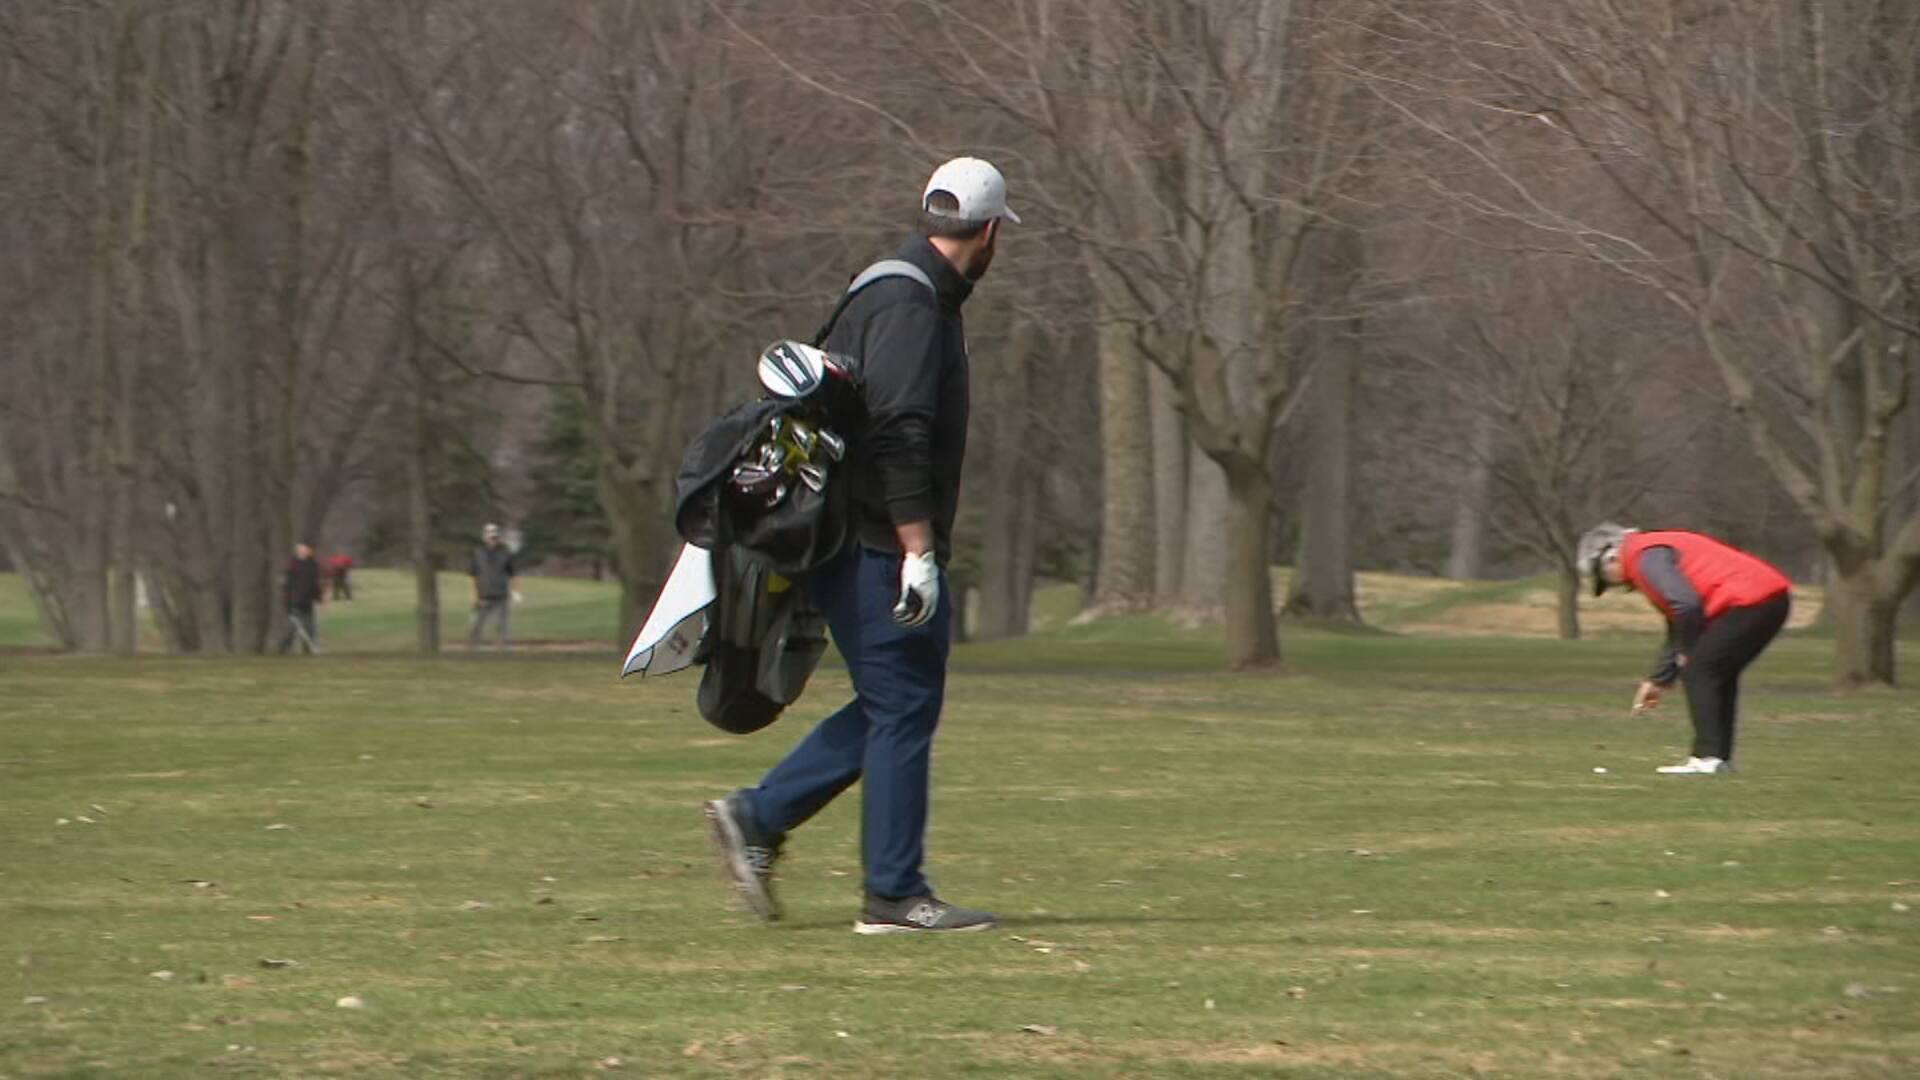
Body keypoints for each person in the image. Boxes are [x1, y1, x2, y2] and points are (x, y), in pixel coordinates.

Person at [702, 157, 1017, 934]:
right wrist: (916, 550)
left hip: (851, 531)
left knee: (899, 700)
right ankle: (892, 893)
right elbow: (900, 433)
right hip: (876, 539)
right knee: (904, 702)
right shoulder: (914, 307)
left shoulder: (886, 287)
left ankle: (760, 818)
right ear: (988, 234)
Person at [1578, 523, 1792, 775]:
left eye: (1605, 578)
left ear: (1611, 556)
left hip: (1750, 600)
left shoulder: (1643, 557)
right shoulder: (1650, 550)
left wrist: (1688, 654)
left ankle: (1708, 758)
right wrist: (1658, 679)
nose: (1614, 585)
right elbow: (1678, 618)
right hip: (1770, 599)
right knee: (1715, 672)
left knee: (1701, 670)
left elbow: (1687, 606)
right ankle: (1717, 759)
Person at [469, 523, 518, 649]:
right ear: (484, 537)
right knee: (478, 623)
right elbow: (473, 575)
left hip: (501, 594)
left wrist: (516, 592)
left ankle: (504, 647)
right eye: (490, 537)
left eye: (495, 537)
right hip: (483, 594)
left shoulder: (506, 552)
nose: (493, 540)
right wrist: (474, 594)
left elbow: (512, 574)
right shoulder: (478, 553)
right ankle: (474, 646)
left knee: (503, 624)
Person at [278, 542, 325, 655]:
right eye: (300, 549)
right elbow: (287, 584)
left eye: (305, 549)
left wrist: (319, 598)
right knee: (293, 627)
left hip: (308, 601)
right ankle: (284, 649)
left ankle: (308, 650)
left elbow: (315, 584)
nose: (303, 551)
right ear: (297, 551)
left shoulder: (313, 565)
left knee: (310, 627)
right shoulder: (293, 565)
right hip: (295, 600)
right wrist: (287, 600)